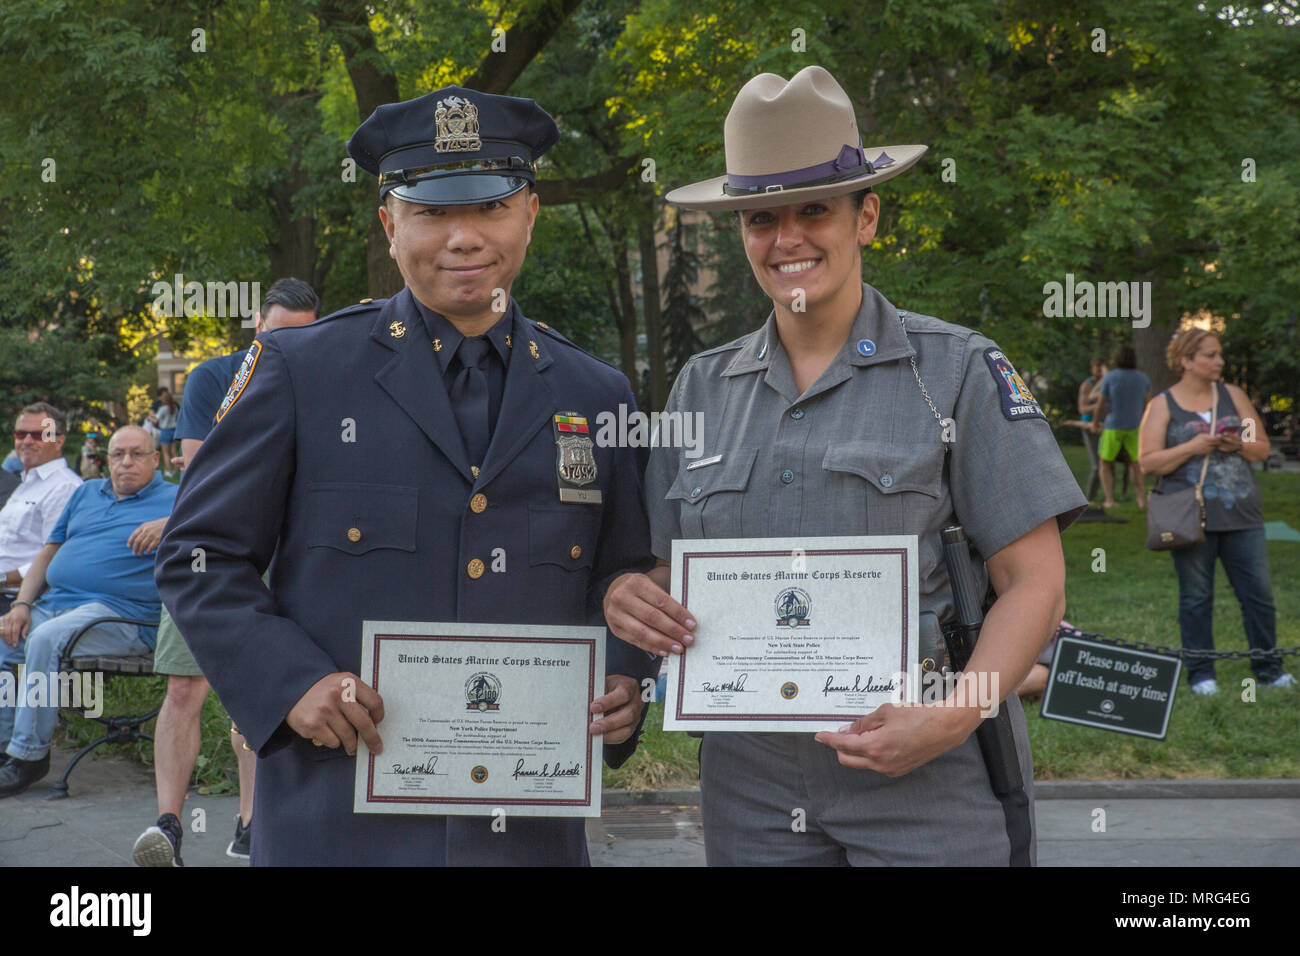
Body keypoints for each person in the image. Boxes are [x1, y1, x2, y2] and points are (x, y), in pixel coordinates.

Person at [154, 86, 659, 866]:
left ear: (530, 212)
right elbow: (199, 555)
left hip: (526, 831)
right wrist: (290, 683)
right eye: (429, 213)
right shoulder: (303, 371)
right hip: (340, 824)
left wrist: (626, 682)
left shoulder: (596, 395)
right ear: (390, 225)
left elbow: (628, 574)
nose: (462, 238)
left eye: (490, 208)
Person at [605, 65, 1087, 866]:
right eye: (761, 217)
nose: (787, 238)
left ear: (866, 217)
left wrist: (957, 712)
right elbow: (666, 575)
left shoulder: (958, 372)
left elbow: (1035, 584)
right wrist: (632, 600)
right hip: (748, 788)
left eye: (814, 210)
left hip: (928, 777)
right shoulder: (698, 387)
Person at [133, 277, 319, 867]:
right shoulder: (215, 377)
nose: (292, 346)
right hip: (211, 548)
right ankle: (168, 825)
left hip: (290, 551)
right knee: (185, 687)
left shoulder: (328, 380)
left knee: (259, 685)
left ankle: (250, 824)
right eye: (279, 334)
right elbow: (196, 469)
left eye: (305, 336)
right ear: (258, 328)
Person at [0, 426, 177, 795]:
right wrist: (21, 604)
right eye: (117, 455)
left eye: (137, 454)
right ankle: (5, 748)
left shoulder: (178, 499)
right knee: (7, 636)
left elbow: (218, 528)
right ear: (106, 459)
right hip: (56, 604)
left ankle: (29, 757)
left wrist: (174, 524)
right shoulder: (85, 492)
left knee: (46, 640)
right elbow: (49, 552)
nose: (126, 462)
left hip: (122, 616)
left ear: (155, 459)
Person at [1138, 329, 1294, 694]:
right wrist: (1192, 447)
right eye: (1210, 355)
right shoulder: (1162, 404)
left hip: (1242, 515)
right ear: (1186, 361)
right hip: (1189, 517)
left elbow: (1261, 448)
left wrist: (1238, 444)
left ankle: (1269, 667)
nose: (1219, 361)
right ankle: (1201, 673)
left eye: (1219, 354)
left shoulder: (1234, 396)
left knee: (1258, 593)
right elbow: (1148, 462)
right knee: (1195, 596)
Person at [0, 404, 83, 608]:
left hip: (20, 601)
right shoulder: (26, 483)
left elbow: (56, 558)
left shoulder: (64, 487)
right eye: (21, 434)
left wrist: (3, 578)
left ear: (59, 441)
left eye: (38, 435)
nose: (27, 441)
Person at [1095, 346, 1150, 509]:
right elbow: (1149, 403)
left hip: (1114, 426)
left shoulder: (1110, 377)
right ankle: (1141, 500)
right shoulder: (1143, 378)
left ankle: (1110, 500)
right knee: (1136, 463)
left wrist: (1095, 423)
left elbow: (1100, 403)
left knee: (1104, 462)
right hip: (1135, 426)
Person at [1077, 357, 1106, 502]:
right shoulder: (1087, 385)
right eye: (1097, 367)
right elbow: (1082, 409)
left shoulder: (1108, 383)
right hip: (1089, 427)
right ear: (1092, 369)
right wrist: (1099, 406)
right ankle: (1089, 498)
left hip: (1106, 427)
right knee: (1096, 465)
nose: (1100, 370)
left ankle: (1109, 499)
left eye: (1103, 367)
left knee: (1107, 464)